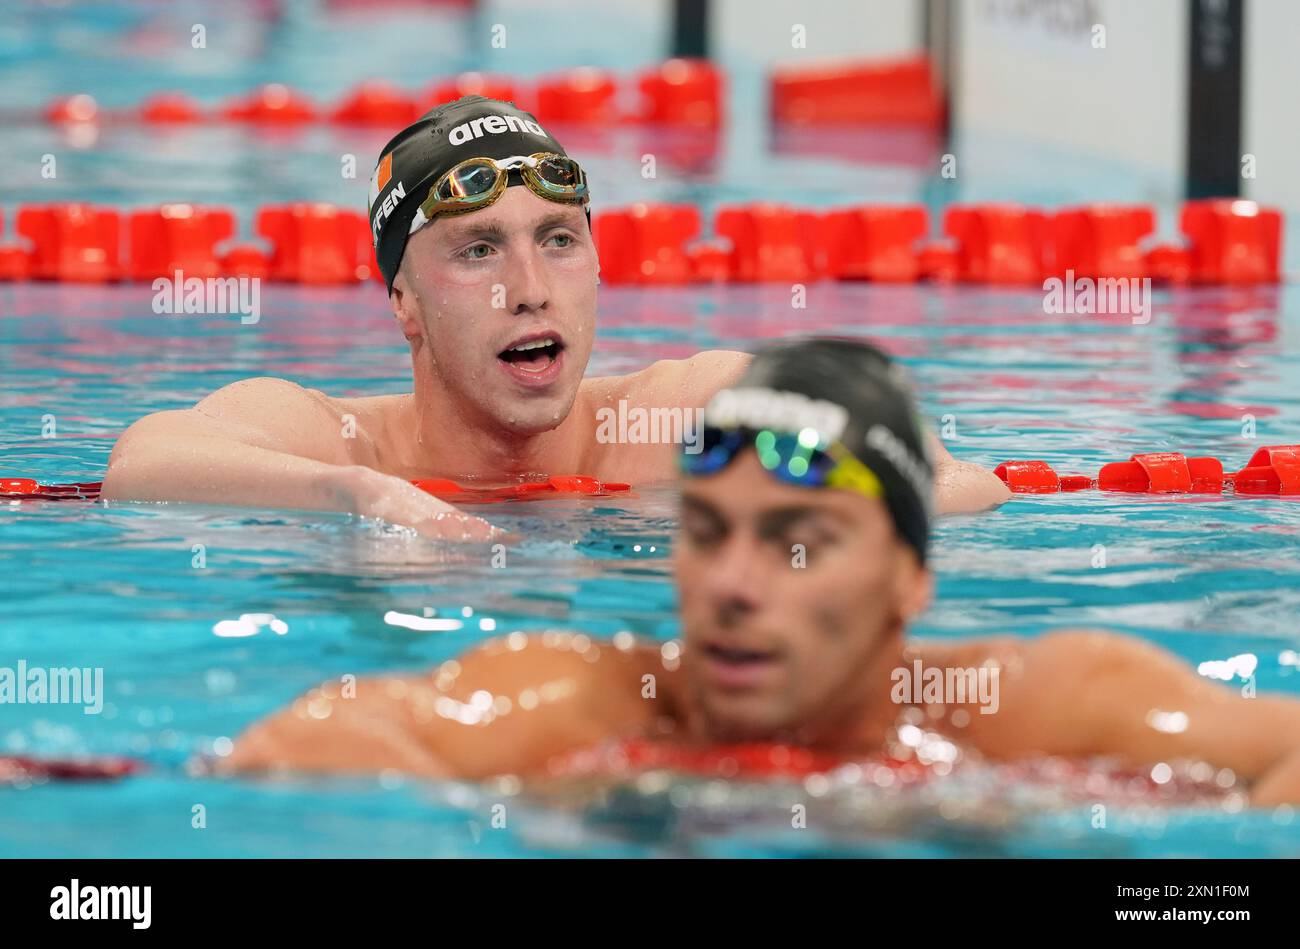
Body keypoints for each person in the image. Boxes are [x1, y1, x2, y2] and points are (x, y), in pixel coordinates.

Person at [221, 339, 1300, 807]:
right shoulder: (591, 700)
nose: (733, 584)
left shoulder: (1034, 708)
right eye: (708, 532)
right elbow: (302, 743)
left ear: (907, 582)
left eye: (794, 544)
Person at [101, 96, 1009, 540]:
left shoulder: (690, 414)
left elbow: (959, 484)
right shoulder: (341, 444)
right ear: (404, 307)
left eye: (559, 240)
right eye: (479, 249)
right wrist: (365, 501)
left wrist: (765, 515)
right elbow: (143, 464)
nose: (529, 288)